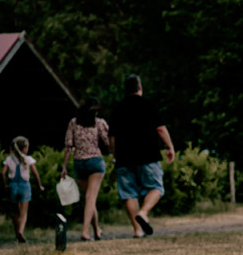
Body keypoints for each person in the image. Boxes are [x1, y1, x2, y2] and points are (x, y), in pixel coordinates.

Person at [108, 74, 175, 238]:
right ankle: (144, 212)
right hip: (148, 156)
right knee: (157, 187)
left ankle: (137, 230)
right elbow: (160, 129)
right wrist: (170, 146)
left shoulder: (117, 109)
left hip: (124, 158)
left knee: (128, 193)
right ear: (140, 88)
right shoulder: (148, 105)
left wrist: (115, 155)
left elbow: (112, 138)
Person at [60, 97, 109, 241]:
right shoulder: (99, 123)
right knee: (91, 198)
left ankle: (97, 230)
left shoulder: (73, 122)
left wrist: (64, 167)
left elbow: (68, 147)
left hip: (79, 163)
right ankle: (85, 232)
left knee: (89, 199)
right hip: (95, 161)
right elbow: (107, 141)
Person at [1, 136, 44, 243]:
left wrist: (5, 185)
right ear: (24, 148)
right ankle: (20, 231)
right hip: (25, 186)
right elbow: (35, 173)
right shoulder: (28, 159)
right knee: (23, 213)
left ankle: (17, 235)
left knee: (15, 212)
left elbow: (2, 173)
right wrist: (40, 185)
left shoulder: (9, 159)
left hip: (13, 186)